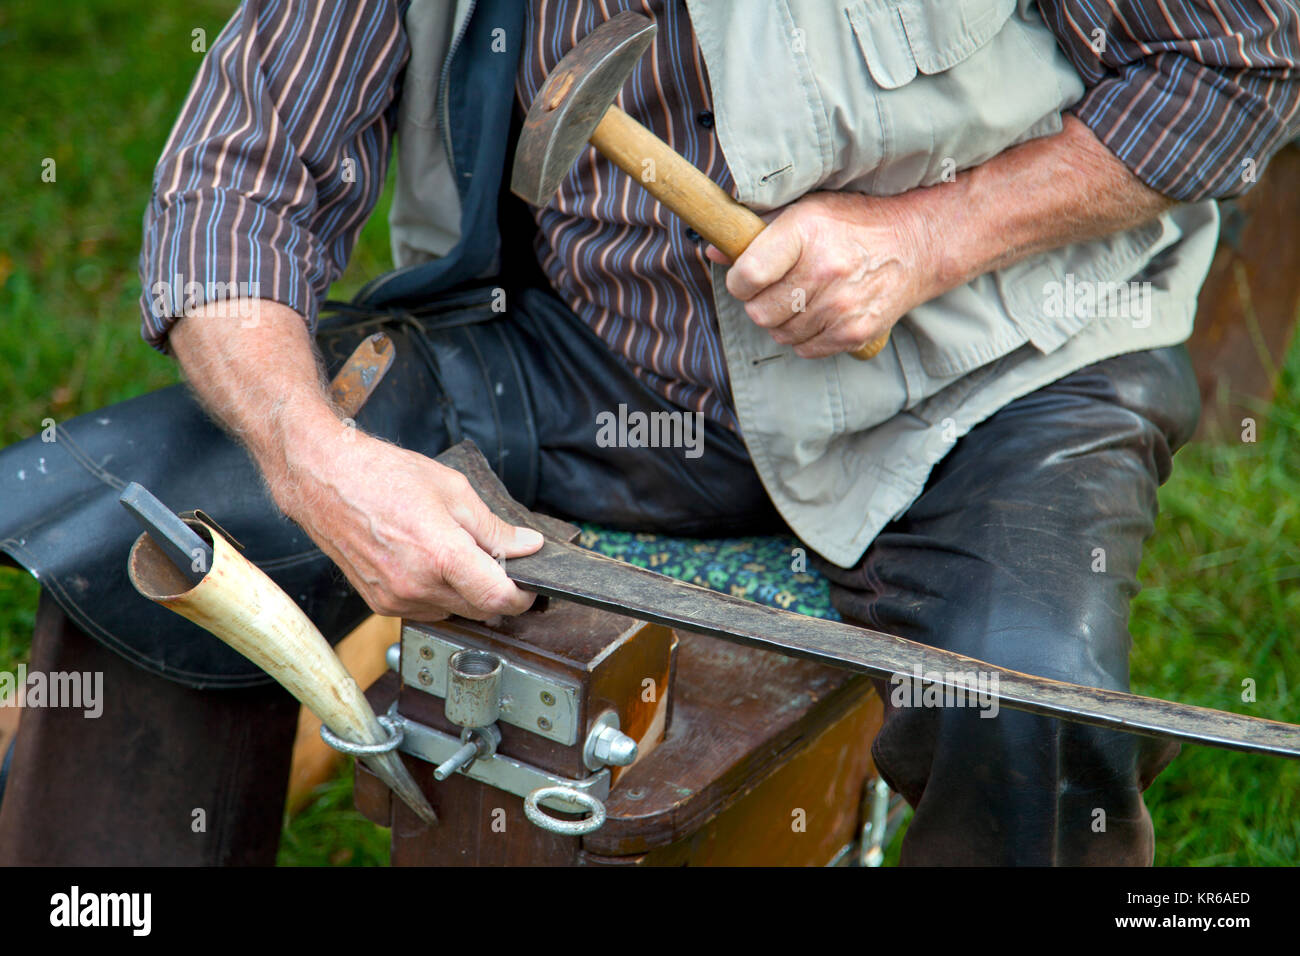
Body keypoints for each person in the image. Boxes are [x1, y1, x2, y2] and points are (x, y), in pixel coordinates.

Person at [1, 0, 1297, 866]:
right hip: (579, 358)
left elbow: (1246, 58)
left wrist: (932, 235)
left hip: (982, 368)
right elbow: (238, 171)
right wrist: (315, 460)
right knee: (152, 547)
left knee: (1020, 701)